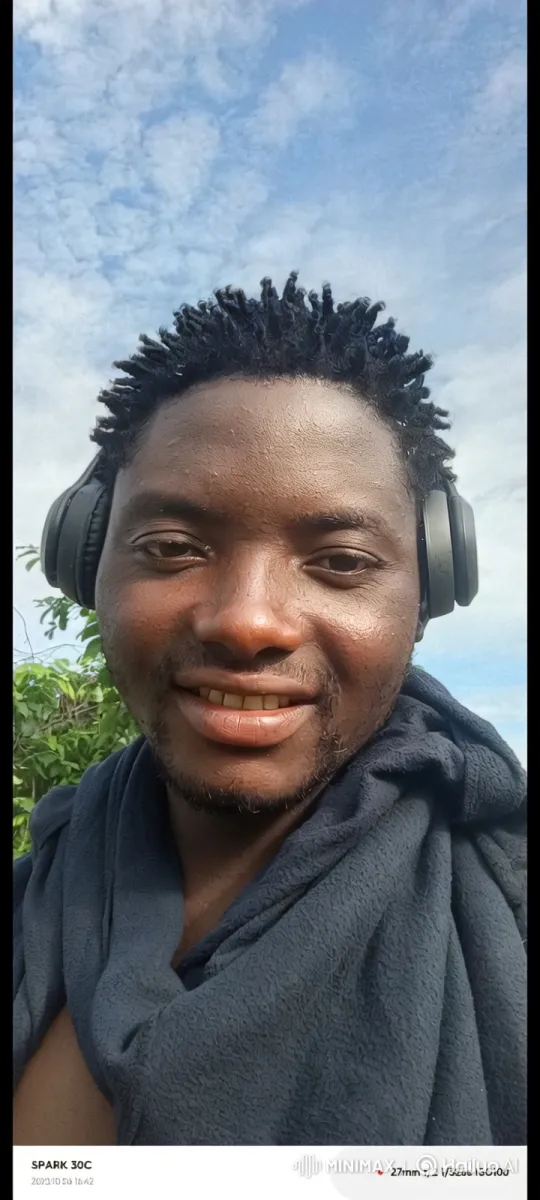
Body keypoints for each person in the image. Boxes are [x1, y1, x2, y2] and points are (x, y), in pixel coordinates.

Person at [13, 274, 526, 1147]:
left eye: (340, 561)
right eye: (172, 548)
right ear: (85, 562)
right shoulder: (37, 900)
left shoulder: (506, 919)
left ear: (428, 593)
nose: (248, 620)